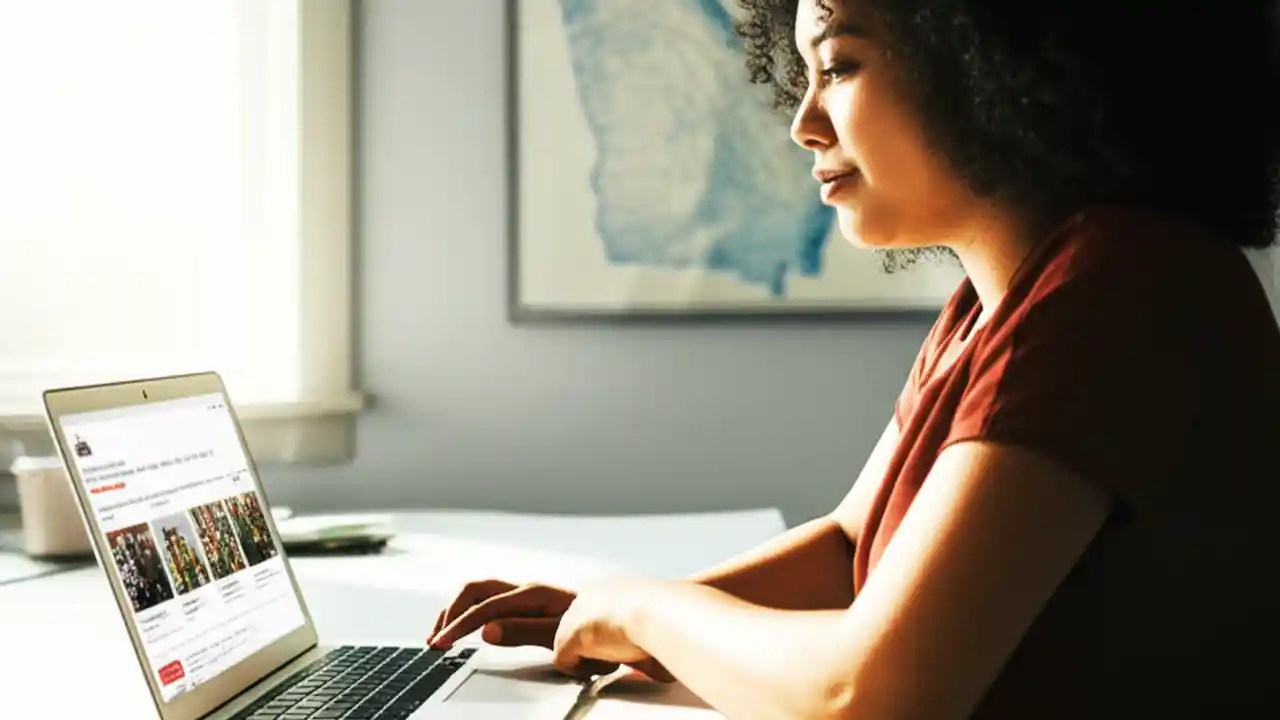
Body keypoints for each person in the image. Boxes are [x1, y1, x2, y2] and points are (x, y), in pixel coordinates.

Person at [427, 1, 1279, 716]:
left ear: (989, 59)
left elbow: (870, 696)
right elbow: (848, 549)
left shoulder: (1121, 283)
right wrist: (598, 616)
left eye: (837, 67)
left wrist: (643, 610)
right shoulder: (999, 303)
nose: (803, 123)